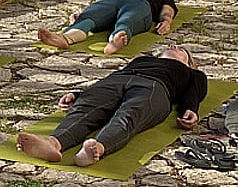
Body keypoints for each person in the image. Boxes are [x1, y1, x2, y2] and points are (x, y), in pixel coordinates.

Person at [16, 44, 205, 166]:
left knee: (129, 114)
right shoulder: (142, 60)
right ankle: (53, 144)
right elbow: (104, 82)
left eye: (181, 49)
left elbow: (195, 92)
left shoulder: (191, 73)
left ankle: (96, 148)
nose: (174, 46)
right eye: (172, 45)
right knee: (86, 108)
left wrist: (190, 109)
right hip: (118, 80)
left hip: (157, 87)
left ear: (188, 62)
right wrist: (79, 94)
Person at [38, 0, 177, 55]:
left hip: (141, 4)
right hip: (114, 1)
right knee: (89, 18)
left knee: (127, 20)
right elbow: (101, 5)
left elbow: (167, 12)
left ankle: (115, 42)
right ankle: (66, 38)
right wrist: (82, 13)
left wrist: (166, 21)